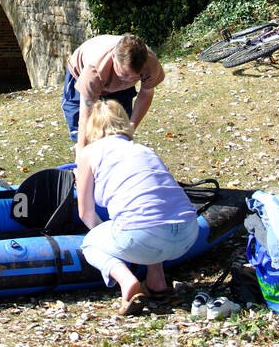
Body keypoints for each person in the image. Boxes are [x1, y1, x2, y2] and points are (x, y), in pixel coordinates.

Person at [75, 100, 199, 315]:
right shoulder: (143, 150)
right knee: (151, 214)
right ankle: (157, 282)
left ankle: (126, 281)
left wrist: (110, 237)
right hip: (188, 233)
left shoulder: (89, 153)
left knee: (91, 244)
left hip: (143, 235)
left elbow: (85, 213)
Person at [63, 34, 164, 152]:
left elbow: (146, 93)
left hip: (117, 86)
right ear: (114, 58)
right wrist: (81, 154)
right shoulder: (94, 69)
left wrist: (130, 129)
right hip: (81, 72)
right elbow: (85, 115)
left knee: (119, 130)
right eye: (125, 75)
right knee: (84, 134)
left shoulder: (151, 65)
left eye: (136, 77)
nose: (129, 80)